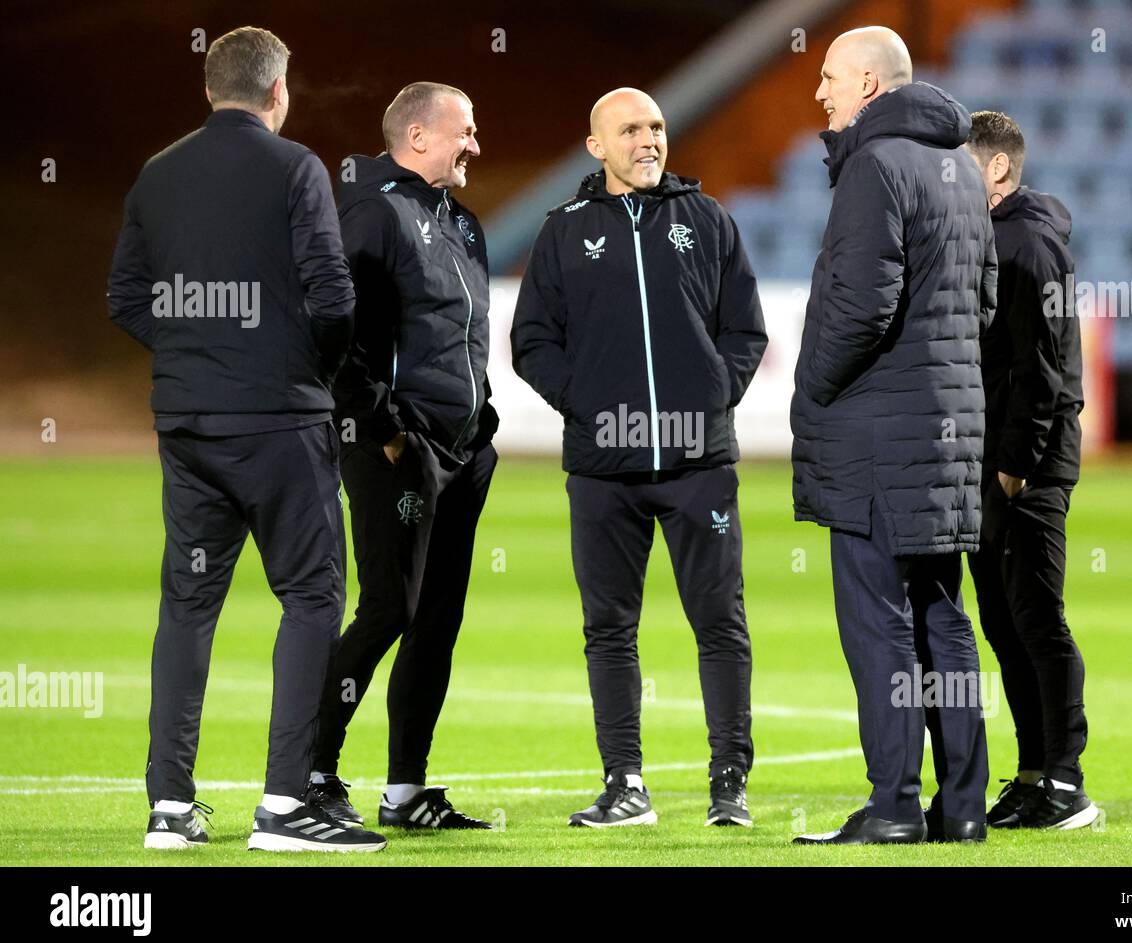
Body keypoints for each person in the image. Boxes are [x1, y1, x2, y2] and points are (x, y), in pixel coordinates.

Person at [108, 26, 385, 852]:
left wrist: (199, 349)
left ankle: (168, 809)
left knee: (188, 605)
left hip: (189, 423)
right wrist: (302, 368)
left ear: (207, 90)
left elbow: (124, 296)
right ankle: (284, 805)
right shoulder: (296, 166)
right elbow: (334, 299)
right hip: (280, 422)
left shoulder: (159, 172)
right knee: (311, 597)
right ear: (277, 92)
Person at [511, 87, 767, 828]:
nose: (649, 140)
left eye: (656, 126)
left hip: (698, 463)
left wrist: (714, 395)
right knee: (609, 629)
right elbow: (532, 342)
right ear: (596, 146)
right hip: (602, 471)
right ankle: (625, 784)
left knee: (719, 621)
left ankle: (729, 782)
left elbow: (744, 329)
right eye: (630, 130)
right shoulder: (563, 233)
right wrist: (588, 405)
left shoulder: (708, 219)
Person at [789, 27, 996, 845]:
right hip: (950, 436)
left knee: (878, 620)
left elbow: (861, 308)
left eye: (831, 77)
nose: (821, 94)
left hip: (880, 435)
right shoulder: (961, 170)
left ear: (870, 84)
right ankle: (964, 805)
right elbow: (979, 307)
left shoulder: (875, 166)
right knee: (942, 615)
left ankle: (893, 804)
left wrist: (810, 389)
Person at [304, 83, 498, 831]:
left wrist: (477, 426)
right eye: (466, 131)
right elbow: (336, 332)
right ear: (418, 136)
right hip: (394, 449)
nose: (475, 145)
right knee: (389, 607)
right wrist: (386, 428)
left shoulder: (463, 222)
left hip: (460, 451)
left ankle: (405, 791)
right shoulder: (373, 213)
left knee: (435, 620)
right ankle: (313, 771)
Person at [963, 110, 1095, 830]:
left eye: (962, 165)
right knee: (1005, 623)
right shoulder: (993, 239)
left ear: (998, 170)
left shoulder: (1030, 246)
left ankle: (1068, 781)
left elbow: (1044, 373)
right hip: (994, 458)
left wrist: (1013, 467)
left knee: (1037, 618)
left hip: (1028, 465)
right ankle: (1035, 770)